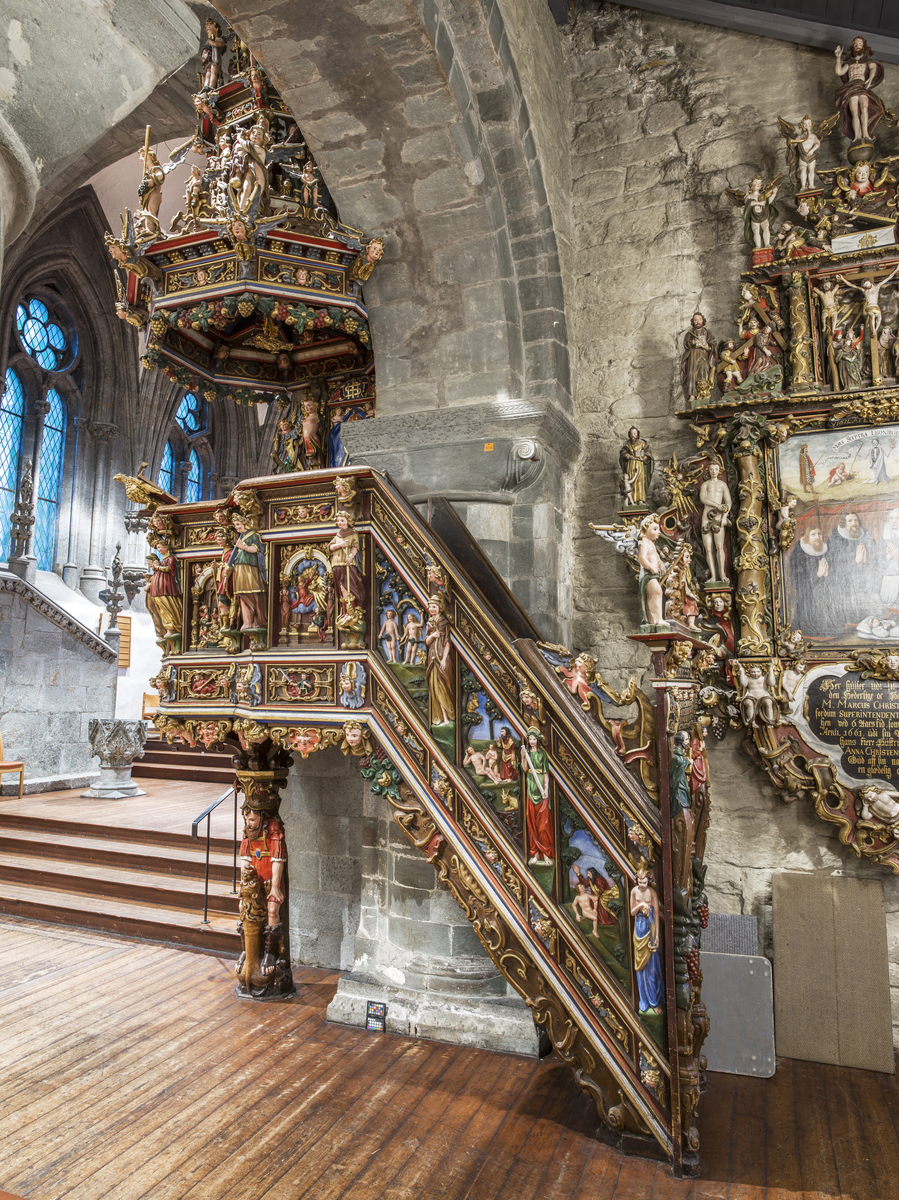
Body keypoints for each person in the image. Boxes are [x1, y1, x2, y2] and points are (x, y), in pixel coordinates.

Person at [237, 801, 286, 975]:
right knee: (244, 908)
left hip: (271, 878)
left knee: (272, 911)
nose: (248, 823)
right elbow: (245, 858)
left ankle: (270, 953)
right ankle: (247, 950)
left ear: (261, 816)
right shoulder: (247, 830)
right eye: (246, 819)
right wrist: (244, 884)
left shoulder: (273, 829)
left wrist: (275, 887)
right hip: (254, 879)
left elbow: (277, 859)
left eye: (252, 819)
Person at [834, 37, 886, 142]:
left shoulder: (867, 61)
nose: (858, 45)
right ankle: (857, 136)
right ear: (853, 47)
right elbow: (839, 72)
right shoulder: (849, 63)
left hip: (862, 85)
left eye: (860, 43)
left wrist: (870, 79)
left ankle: (866, 133)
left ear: (863, 46)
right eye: (856, 44)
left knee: (864, 107)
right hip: (851, 87)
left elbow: (873, 68)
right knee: (854, 111)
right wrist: (838, 57)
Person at [790, 525, 835, 637]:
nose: (817, 537)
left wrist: (828, 575)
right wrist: (817, 575)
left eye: (820, 534)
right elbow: (797, 582)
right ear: (807, 538)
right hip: (807, 600)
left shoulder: (827, 551)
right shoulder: (798, 554)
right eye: (813, 534)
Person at [630, 868, 664, 1015]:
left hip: (650, 927)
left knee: (653, 968)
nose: (642, 884)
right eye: (640, 882)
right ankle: (643, 1001)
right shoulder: (634, 892)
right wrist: (641, 905)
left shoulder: (652, 893)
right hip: (639, 928)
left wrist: (657, 936)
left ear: (649, 880)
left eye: (645, 882)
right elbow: (632, 912)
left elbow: (656, 915)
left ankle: (655, 1002)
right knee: (640, 967)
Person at [226, 515, 267, 630]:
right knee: (241, 594)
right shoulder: (241, 536)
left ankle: (255, 620)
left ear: (245, 524)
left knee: (250, 592)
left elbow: (255, 549)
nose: (236, 527)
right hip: (239, 567)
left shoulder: (253, 535)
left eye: (238, 524)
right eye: (235, 525)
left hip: (249, 566)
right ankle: (247, 622)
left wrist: (243, 547)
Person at [521, 729, 554, 866]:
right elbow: (524, 769)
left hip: (541, 788)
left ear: (537, 740)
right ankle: (535, 854)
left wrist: (545, 789)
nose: (532, 741)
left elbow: (546, 773)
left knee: (543, 824)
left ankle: (546, 854)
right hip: (531, 787)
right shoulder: (527, 753)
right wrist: (523, 757)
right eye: (530, 739)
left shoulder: (542, 755)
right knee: (532, 822)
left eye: (534, 739)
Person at [425, 593, 454, 726]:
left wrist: (444, 658)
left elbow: (447, 641)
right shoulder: (429, 623)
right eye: (430, 607)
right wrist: (432, 635)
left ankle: (448, 714)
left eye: (434, 606)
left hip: (442, 655)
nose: (432, 609)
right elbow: (426, 641)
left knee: (443, 686)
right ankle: (441, 717)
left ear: (440, 608)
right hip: (432, 656)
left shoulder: (444, 622)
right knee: (435, 687)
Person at [699, 463, 732, 583]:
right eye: (711, 469)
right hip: (706, 518)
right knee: (708, 549)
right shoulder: (705, 485)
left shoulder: (722, 485)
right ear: (708, 471)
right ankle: (713, 576)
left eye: (716, 469)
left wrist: (724, 517)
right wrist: (718, 505)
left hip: (718, 518)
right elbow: (703, 499)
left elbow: (728, 502)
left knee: (719, 547)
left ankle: (722, 574)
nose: (714, 471)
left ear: (719, 471)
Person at [680, 312, 716, 407]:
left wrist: (707, 347)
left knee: (703, 372)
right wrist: (693, 342)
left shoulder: (708, 332)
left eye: (699, 319)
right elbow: (686, 343)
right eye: (695, 320)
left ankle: (703, 394)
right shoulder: (689, 333)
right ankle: (692, 395)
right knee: (692, 375)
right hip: (692, 357)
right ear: (693, 322)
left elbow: (713, 344)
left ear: (703, 320)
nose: (697, 322)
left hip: (703, 356)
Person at [619, 427, 653, 506]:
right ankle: (632, 501)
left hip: (639, 464)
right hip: (631, 464)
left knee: (640, 481)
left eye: (634, 433)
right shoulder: (627, 444)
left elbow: (648, 454)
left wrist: (643, 458)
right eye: (631, 434)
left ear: (637, 434)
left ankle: (641, 500)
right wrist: (629, 456)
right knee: (632, 481)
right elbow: (623, 453)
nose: (633, 435)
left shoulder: (642, 443)